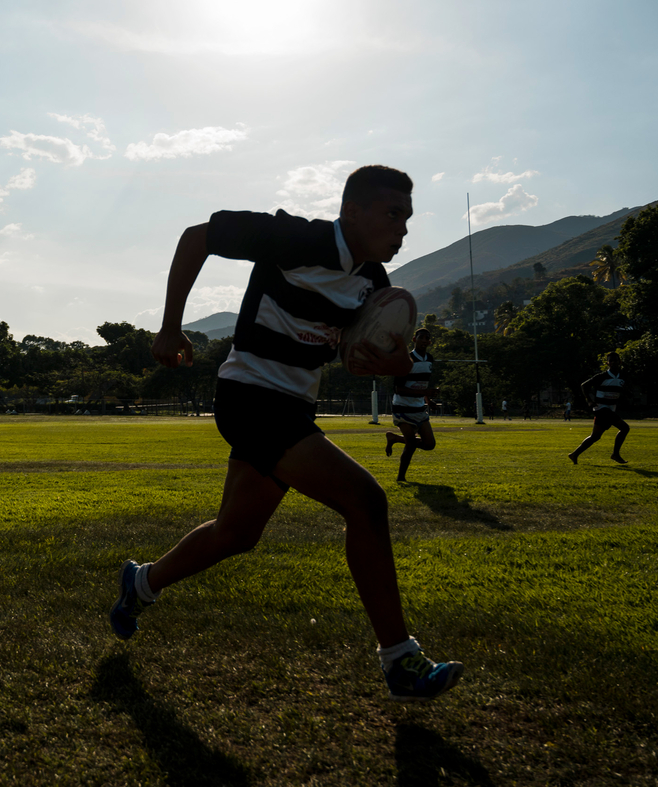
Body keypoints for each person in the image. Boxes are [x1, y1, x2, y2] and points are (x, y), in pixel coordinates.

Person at [112, 165, 463, 703]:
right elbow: (196, 238)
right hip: (249, 397)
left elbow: (367, 358)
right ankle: (400, 661)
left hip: (294, 408)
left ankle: (141, 583)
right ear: (352, 212)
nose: (403, 229)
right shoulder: (292, 237)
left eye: (408, 218)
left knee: (236, 534)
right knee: (366, 502)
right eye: (393, 214)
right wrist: (170, 326)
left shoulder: (374, 284)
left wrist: (389, 362)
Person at [384, 328, 437, 483]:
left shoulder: (429, 359)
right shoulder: (406, 360)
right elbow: (398, 389)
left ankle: (394, 438)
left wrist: (428, 400)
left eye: (427, 338)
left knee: (429, 444)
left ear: (430, 342)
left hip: (419, 407)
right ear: (414, 339)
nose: (424, 340)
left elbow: (422, 383)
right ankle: (401, 478)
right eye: (421, 337)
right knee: (411, 444)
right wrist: (425, 392)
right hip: (402, 407)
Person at [568, 352, 629, 464]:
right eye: (611, 361)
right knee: (625, 428)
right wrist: (589, 400)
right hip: (601, 409)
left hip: (611, 408)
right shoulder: (601, 376)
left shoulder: (623, 376)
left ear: (620, 362)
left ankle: (574, 454)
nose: (613, 362)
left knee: (595, 436)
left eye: (615, 360)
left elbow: (623, 391)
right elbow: (584, 385)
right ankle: (615, 454)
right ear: (607, 363)